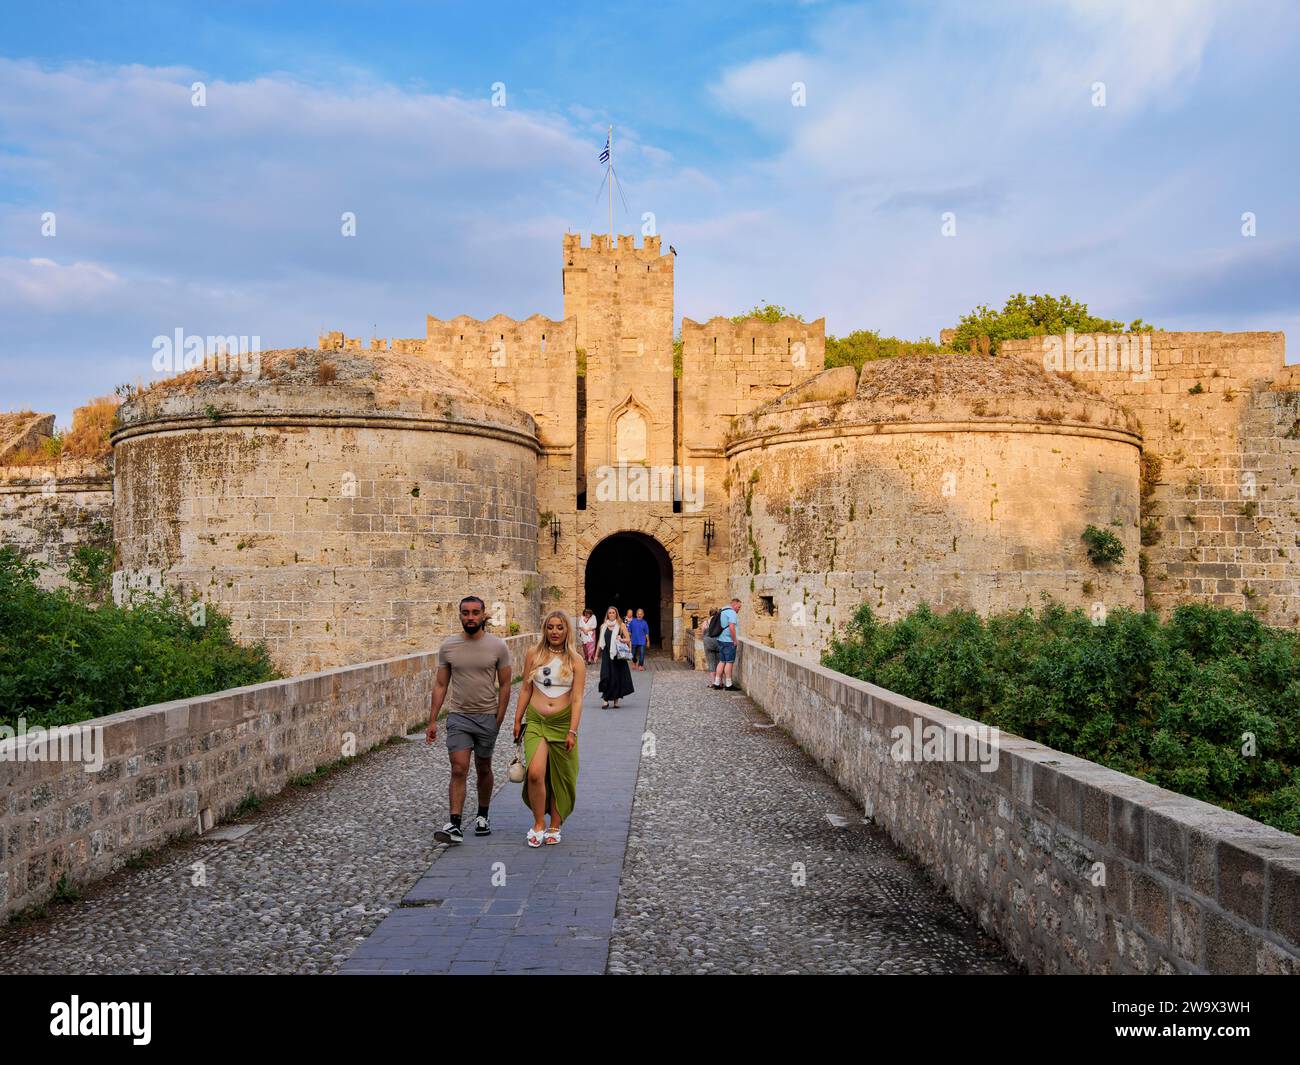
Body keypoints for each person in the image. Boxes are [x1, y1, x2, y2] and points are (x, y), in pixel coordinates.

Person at [426, 596, 512, 844]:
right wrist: (432, 720)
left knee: (483, 767)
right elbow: (441, 684)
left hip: (487, 716)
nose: (470, 617)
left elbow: (506, 684)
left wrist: (499, 717)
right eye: (466, 613)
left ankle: (483, 815)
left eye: (475, 613)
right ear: (460, 615)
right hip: (459, 716)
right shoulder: (449, 646)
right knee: (459, 768)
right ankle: (454, 824)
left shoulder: (498, 646)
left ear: (484, 614)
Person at [512, 611, 584, 847]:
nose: (555, 632)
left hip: (562, 723)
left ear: (567, 631)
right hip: (536, 721)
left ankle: (555, 823)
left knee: (560, 776)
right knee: (535, 772)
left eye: (560, 627)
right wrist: (517, 718)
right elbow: (525, 688)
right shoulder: (534, 654)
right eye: (551, 627)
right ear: (545, 629)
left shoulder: (576, 660)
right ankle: (538, 822)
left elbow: (577, 698)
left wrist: (572, 731)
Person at [597, 606, 635, 709]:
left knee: (616, 677)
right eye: (610, 613)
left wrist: (621, 639)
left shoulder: (621, 625)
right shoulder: (603, 626)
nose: (611, 614)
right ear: (607, 614)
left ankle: (616, 700)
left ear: (616, 614)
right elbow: (600, 642)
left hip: (617, 655)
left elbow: (628, 639)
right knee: (605, 676)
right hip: (606, 655)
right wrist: (596, 655)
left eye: (613, 612)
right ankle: (605, 700)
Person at [712, 596, 741, 691]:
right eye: (738, 607)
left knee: (722, 661)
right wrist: (734, 640)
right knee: (729, 662)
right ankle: (729, 684)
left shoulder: (723, 609)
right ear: (734, 604)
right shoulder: (732, 613)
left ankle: (716, 683)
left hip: (720, 639)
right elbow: (732, 627)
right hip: (728, 641)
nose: (739, 609)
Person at [702, 607, 721, 686]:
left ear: (710, 613)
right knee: (720, 662)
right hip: (718, 642)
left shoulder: (705, 622)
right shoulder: (719, 622)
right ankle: (719, 682)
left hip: (708, 643)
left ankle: (713, 682)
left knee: (711, 663)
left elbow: (703, 632)